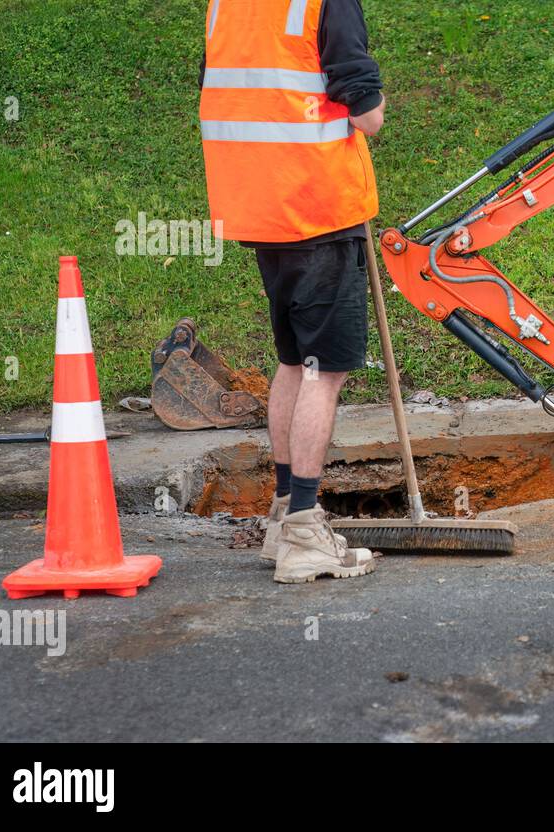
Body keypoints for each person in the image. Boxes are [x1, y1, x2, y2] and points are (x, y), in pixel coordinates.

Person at [199, 0, 386, 583]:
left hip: (258, 207)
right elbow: (368, 113)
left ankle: (284, 518)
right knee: (320, 372)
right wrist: (368, 110)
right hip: (317, 206)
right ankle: (306, 532)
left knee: (293, 361)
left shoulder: (224, 6)